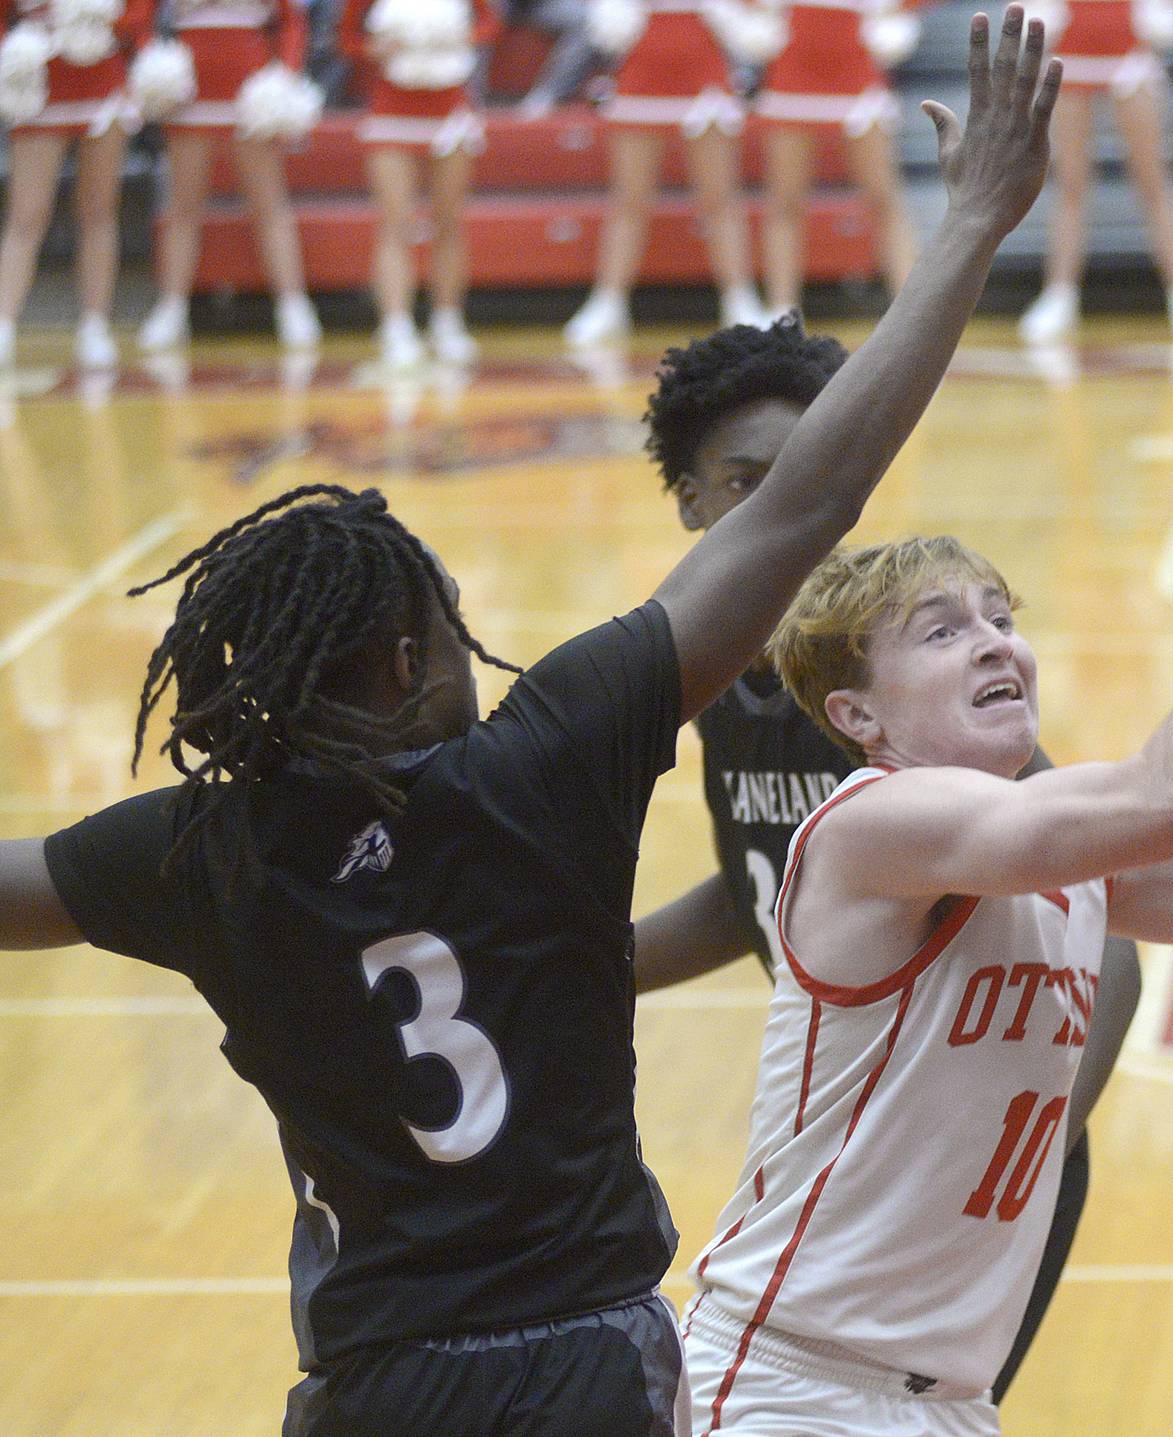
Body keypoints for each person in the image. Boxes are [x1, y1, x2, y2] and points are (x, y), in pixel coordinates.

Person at [0, 8, 1061, 1432]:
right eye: (447, 629)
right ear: (392, 666)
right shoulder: (544, 758)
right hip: (587, 1364)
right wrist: (976, 225)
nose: (475, 656)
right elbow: (814, 499)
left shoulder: (191, 850)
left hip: (372, 1384)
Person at [683, 389, 1173, 1434]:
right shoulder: (875, 826)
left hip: (946, 1401)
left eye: (1000, 619)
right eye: (942, 632)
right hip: (788, 1384)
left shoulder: (1065, 854)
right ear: (858, 715)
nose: (994, 643)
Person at [634, 313, 1141, 1405]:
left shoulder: (901, 690)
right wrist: (591, 960)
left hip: (972, 1166)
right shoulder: (721, 685)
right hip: (861, 1157)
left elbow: (1098, 911)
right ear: (690, 502)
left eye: (809, 471)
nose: (784, 507)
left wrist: (1043, 1135)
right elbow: (753, 890)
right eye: (745, 483)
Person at [562, 0, 766, 347]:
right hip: (641, 69)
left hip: (705, 69)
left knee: (720, 199)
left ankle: (740, 300)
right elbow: (607, 24)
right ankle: (608, 303)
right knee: (629, 200)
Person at [1018, 0, 1173, 344]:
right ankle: (1059, 295)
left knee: (1153, 179)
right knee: (1069, 184)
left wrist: (1168, 12)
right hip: (1069, 54)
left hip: (1131, 53)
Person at [137, 0, 322, 355]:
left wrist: (285, 73)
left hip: (251, 90)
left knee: (269, 204)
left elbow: (291, 21)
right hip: (187, 89)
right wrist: (154, 65)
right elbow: (141, 18)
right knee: (183, 207)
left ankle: (293, 306)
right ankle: (172, 308)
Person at [338, 0, 501, 368]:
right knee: (396, 223)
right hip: (391, 110)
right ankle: (396, 327)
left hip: (451, 111)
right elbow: (347, 38)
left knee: (449, 221)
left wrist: (458, 37)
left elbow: (489, 25)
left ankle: (448, 322)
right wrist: (375, 48)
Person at [0, 0, 155, 368]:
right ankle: (4, 325)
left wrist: (102, 14)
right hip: (38, 83)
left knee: (98, 211)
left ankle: (95, 326)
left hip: (104, 80)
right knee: (26, 215)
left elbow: (140, 13)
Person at [752, 0, 921, 316]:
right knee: (784, 200)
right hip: (792, 71)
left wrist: (893, 17)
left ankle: (912, 312)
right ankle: (780, 311)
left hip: (857, 69)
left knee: (884, 198)